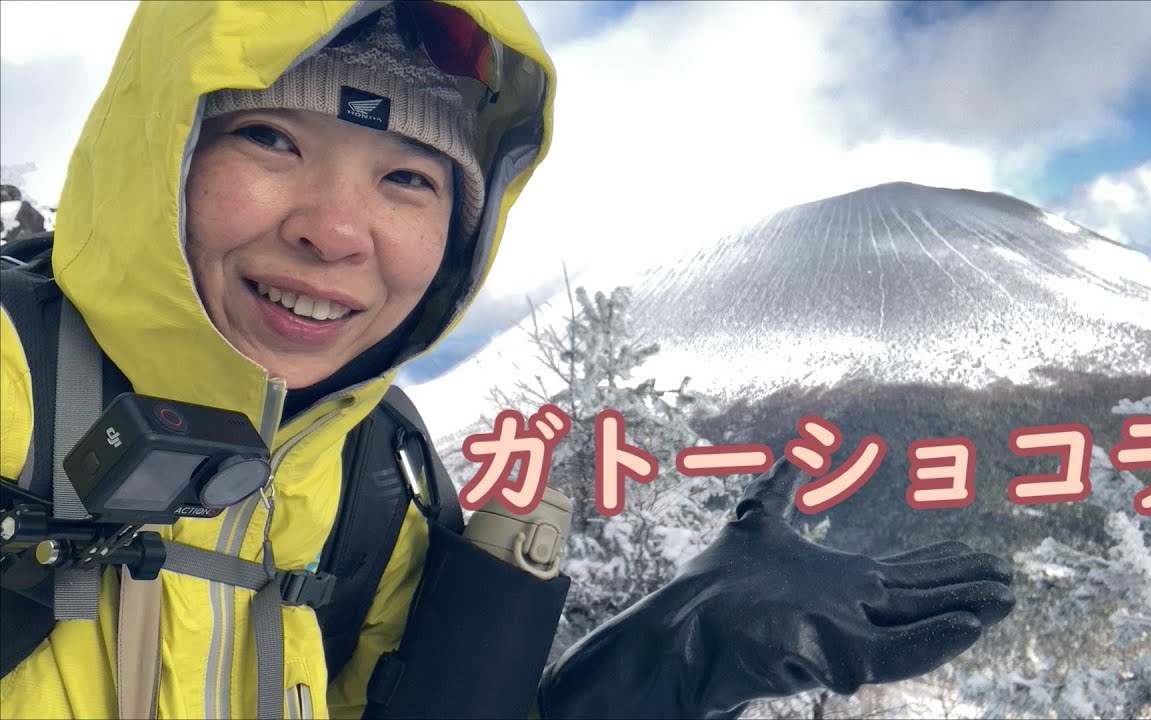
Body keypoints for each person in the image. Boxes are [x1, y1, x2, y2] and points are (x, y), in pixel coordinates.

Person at [0, 2, 1015, 718]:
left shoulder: (371, 481)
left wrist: (675, 656)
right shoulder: (16, 384)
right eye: (270, 139)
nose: (337, 231)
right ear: (158, 156)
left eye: (407, 178)